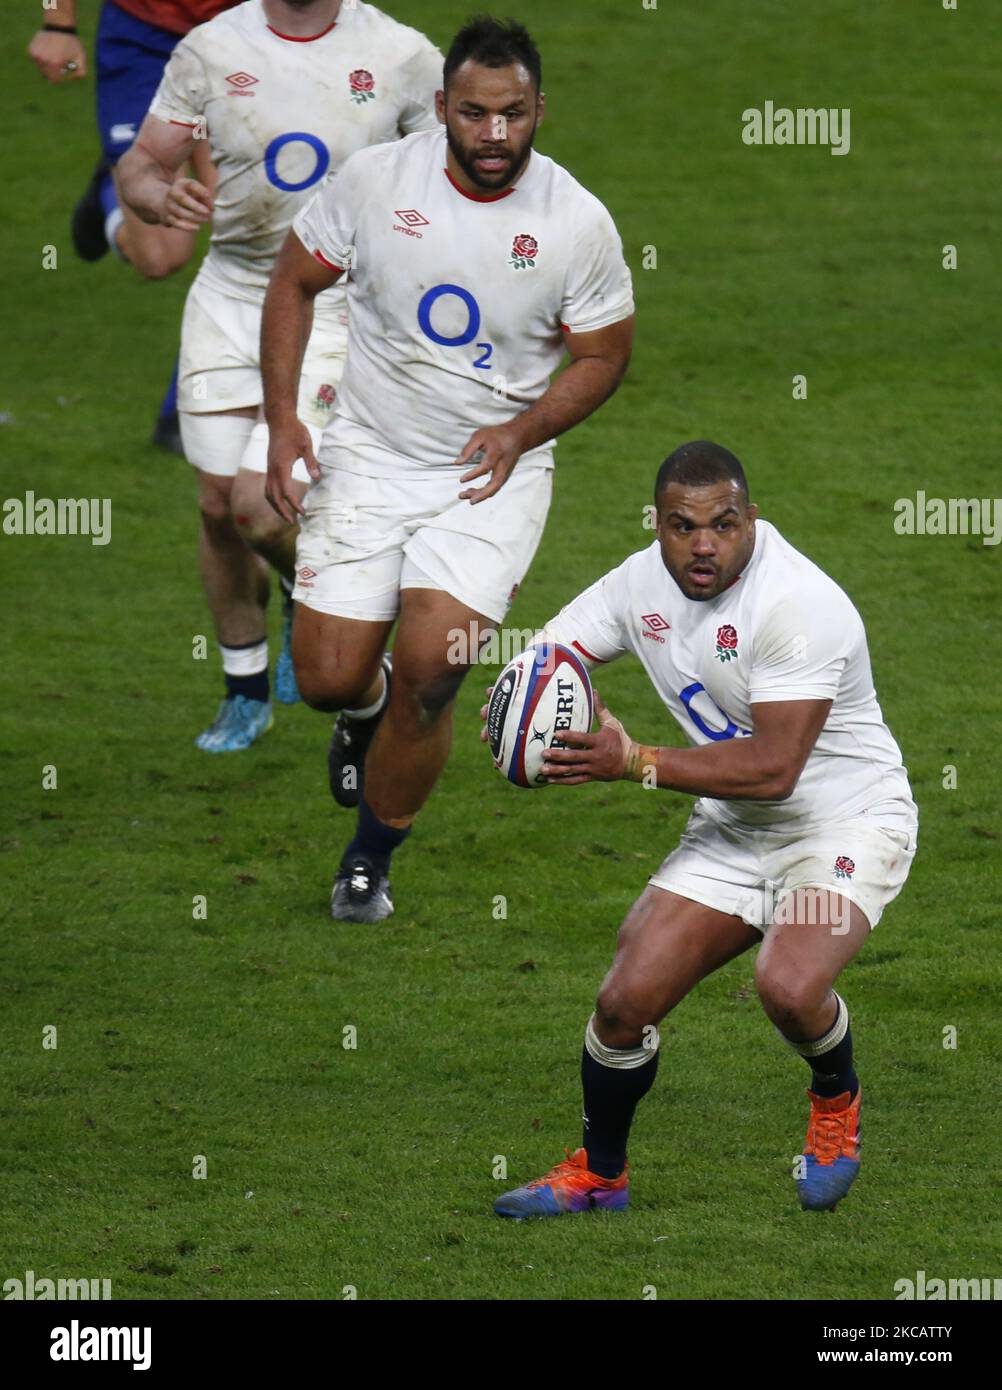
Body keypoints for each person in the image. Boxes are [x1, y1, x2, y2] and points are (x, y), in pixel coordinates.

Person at [262, 16, 635, 922]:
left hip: (488, 477)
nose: (495, 135)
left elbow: (604, 355)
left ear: (539, 109)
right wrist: (282, 424)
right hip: (370, 455)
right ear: (442, 107)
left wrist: (522, 429)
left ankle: (369, 860)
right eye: (474, 113)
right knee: (327, 679)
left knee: (433, 666)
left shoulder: (574, 221)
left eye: (512, 114)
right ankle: (364, 708)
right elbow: (293, 282)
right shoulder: (376, 180)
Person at [487, 440, 918, 1217]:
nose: (704, 545)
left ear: (750, 517)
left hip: (844, 824)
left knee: (787, 986)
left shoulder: (797, 605)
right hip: (734, 827)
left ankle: (835, 1097)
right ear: (659, 524)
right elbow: (551, 651)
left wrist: (633, 761)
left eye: (723, 524)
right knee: (622, 1005)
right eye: (684, 527)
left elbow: (774, 768)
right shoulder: (638, 583)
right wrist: (524, 710)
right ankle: (600, 1177)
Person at [118, 0, 443, 751]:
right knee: (212, 504)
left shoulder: (398, 52)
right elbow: (143, 160)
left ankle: (317, 595)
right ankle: (244, 686)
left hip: (335, 303)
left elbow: (447, 170)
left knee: (258, 507)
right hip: (231, 295)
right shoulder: (210, 47)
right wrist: (156, 196)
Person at [26, 0, 237, 453]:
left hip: (243, 39)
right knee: (159, 257)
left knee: (243, 223)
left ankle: (181, 414)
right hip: (145, 36)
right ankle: (112, 193)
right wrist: (56, 21)